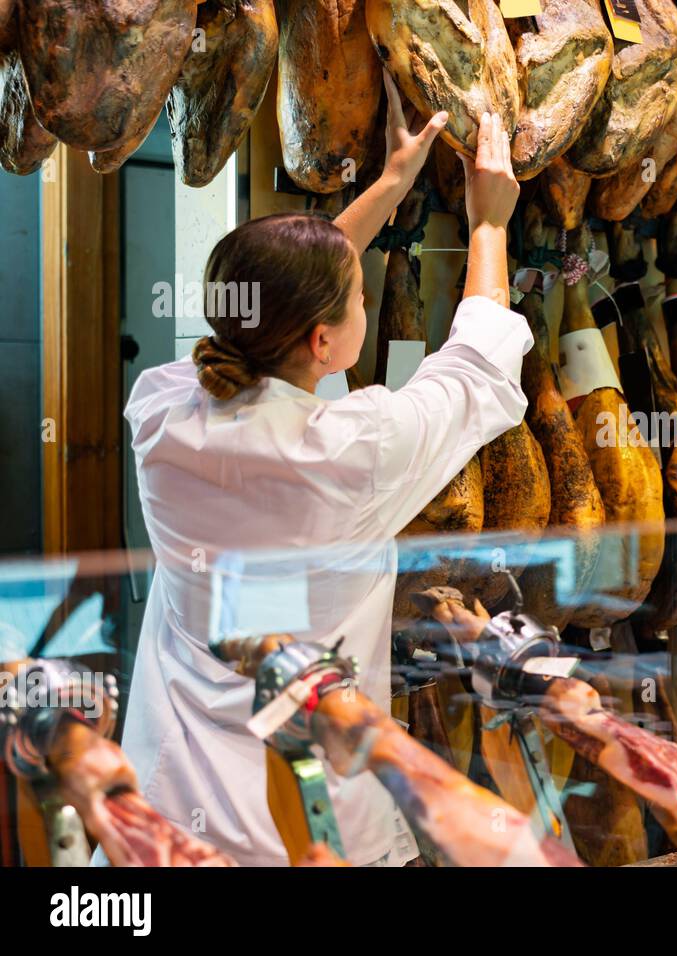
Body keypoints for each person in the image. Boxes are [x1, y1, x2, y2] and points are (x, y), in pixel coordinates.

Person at [96, 73, 526, 866]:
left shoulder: (161, 412)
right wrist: (488, 224)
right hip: (310, 823)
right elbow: (477, 374)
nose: (364, 301)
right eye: (358, 296)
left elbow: (264, 309)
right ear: (325, 343)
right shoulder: (346, 454)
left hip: (174, 810)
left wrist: (390, 188)